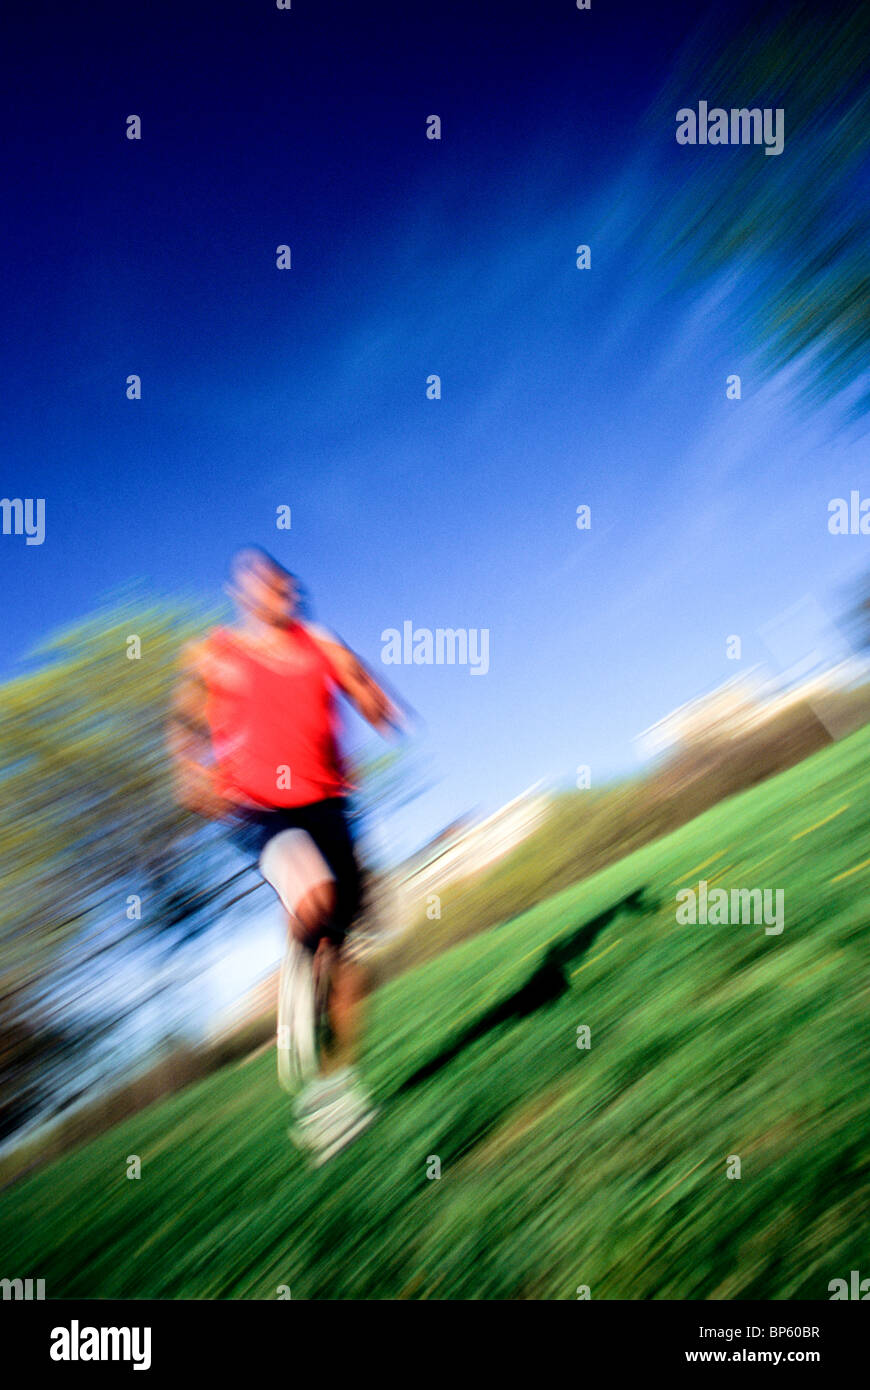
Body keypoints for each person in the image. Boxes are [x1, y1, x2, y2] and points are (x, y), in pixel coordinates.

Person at [167, 545, 401, 1163]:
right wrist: (188, 769)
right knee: (314, 895)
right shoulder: (213, 653)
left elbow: (357, 679)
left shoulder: (318, 641)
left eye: (287, 585)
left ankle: (334, 1088)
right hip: (258, 808)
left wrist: (376, 701)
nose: (283, 593)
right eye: (268, 585)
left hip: (331, 804)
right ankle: (297, 975)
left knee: (356, 950)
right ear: (242, 593)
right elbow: (184, 720)